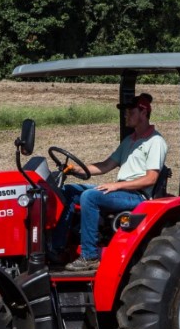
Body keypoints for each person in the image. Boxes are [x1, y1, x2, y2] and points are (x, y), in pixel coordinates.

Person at [52, 93, 168, 272]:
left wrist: (116, 185)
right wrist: (76, 169)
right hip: (122, 191)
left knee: (90, 196)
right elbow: (105, 166)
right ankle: (56, 248)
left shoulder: (156, 141)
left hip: (138, 196)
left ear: (143, 112)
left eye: (130, 111)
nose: (126, 115)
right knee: (70, 191)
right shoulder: (130, 141)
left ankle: (89, 256)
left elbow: (150, 179)